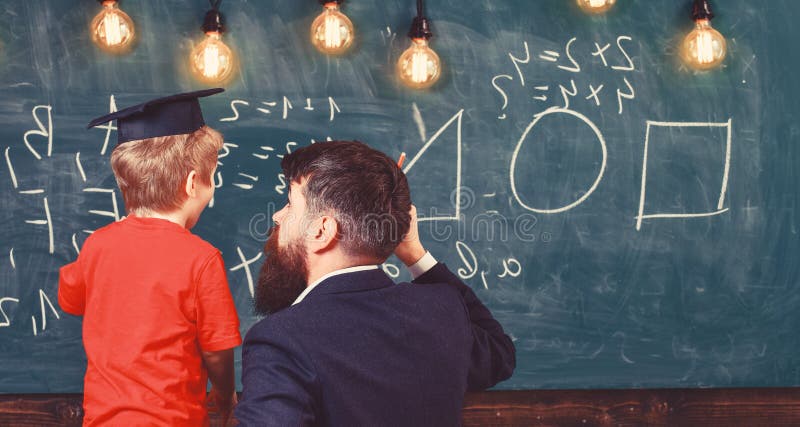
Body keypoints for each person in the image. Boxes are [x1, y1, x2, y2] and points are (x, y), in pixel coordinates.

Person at [235, 140, 515, 426]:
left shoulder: (281, 339)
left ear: (321, 231)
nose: (277, 216)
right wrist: (414, 252)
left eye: (290, 204)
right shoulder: (441, 308)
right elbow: (499, 354)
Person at [58, 89, 241, 426]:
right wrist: (225, 394)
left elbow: (70, 299)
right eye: (212, 177)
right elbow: (216, 351)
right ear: (191, 183)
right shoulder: (201, 259)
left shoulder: (97, 246)